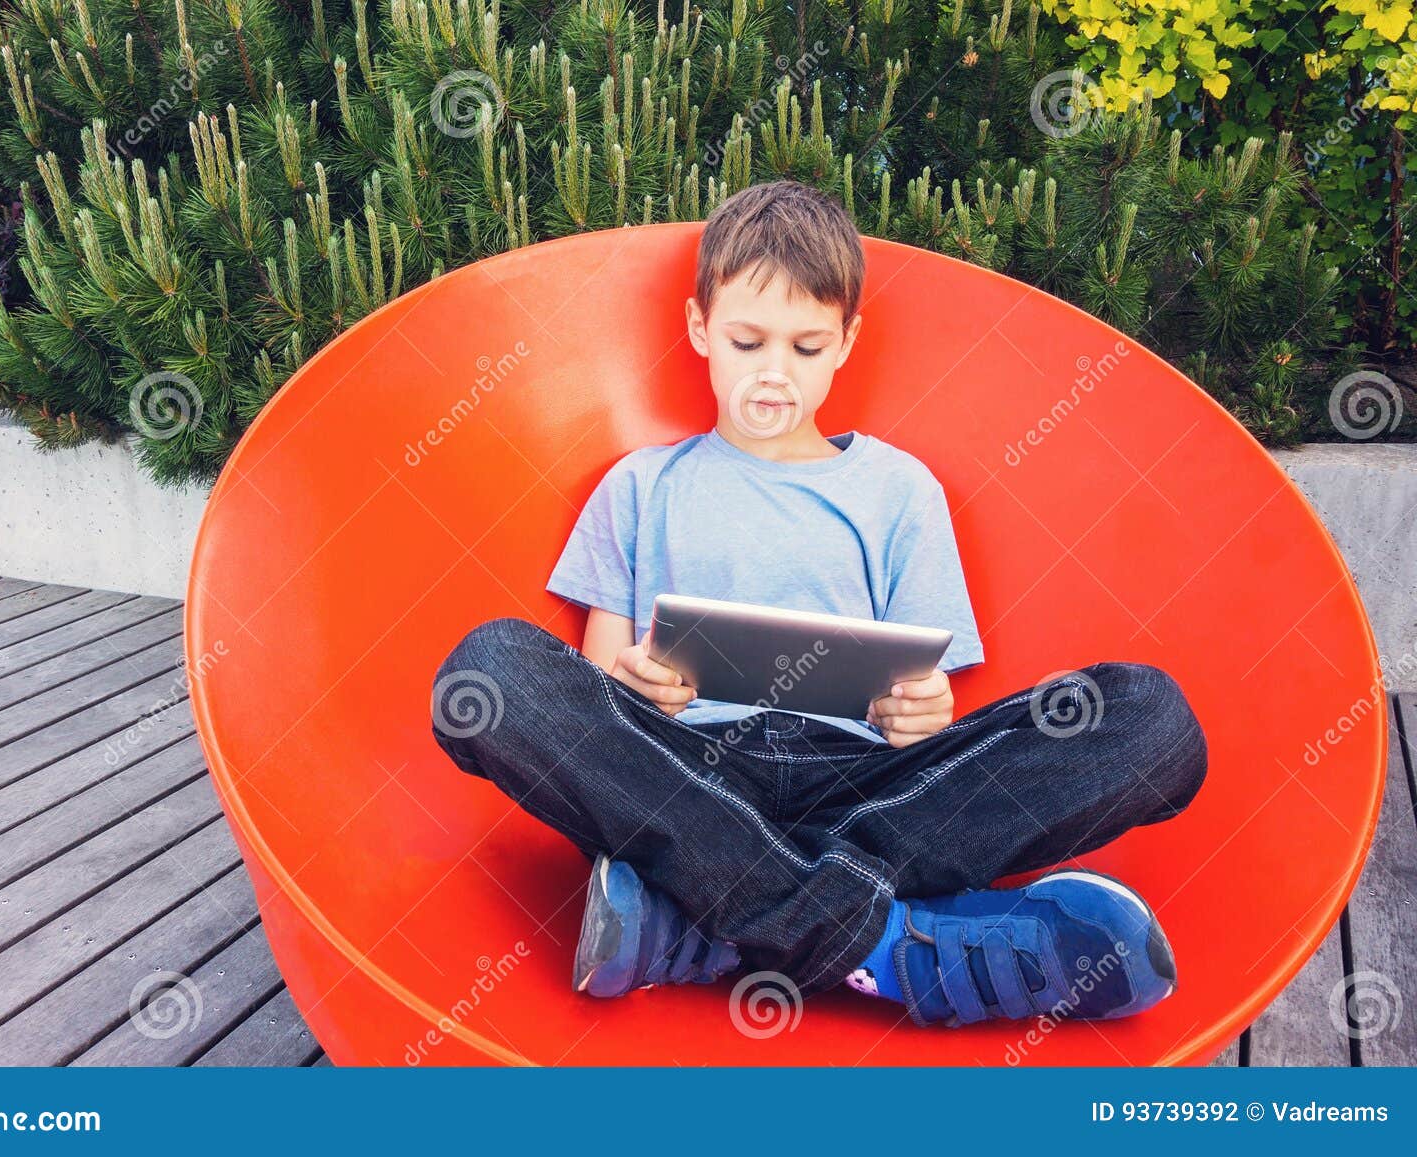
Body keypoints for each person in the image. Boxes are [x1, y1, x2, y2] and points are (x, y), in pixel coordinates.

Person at [429, 180, 1207, 1029]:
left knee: (1152, 721)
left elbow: (931, 713)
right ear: (700, 329)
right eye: (747, 340)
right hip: (688, 776)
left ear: (846, 343)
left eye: (805, 347)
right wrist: (636, 683)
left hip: (868, 787)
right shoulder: (640, 488)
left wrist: (924, 712)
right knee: (491, 672)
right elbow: (596, 686)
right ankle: (890, 948)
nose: (774, 372)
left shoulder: (899, 491)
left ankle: (710, 921)